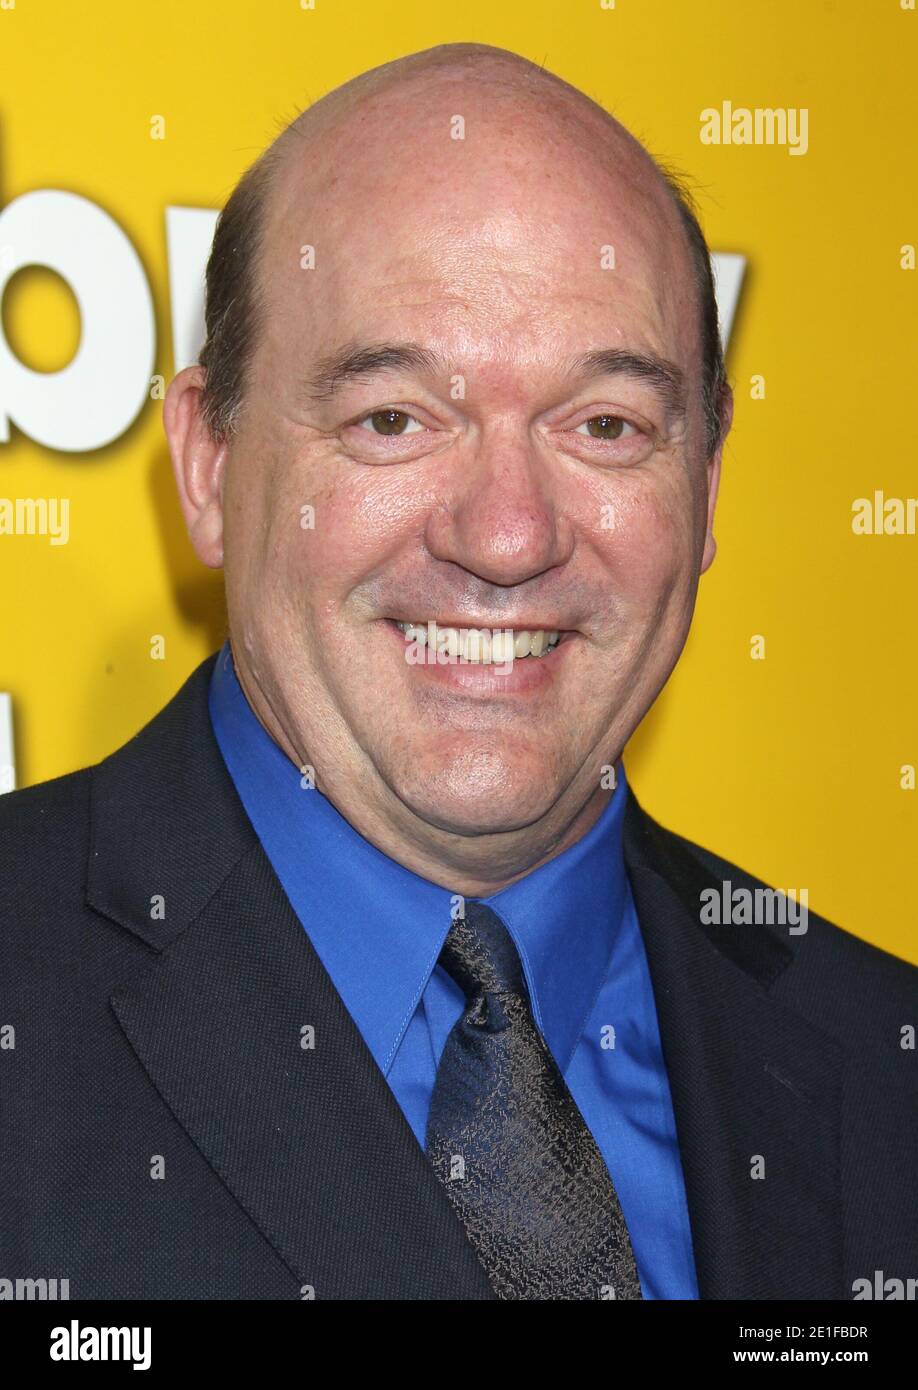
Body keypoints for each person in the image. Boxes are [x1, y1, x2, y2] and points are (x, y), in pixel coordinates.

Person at [1, 42, 915, 1302]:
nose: (506, 534)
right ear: (210, 466)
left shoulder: (885, 1068)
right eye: (393, 418)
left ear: (703, 491)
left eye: (605, 425)